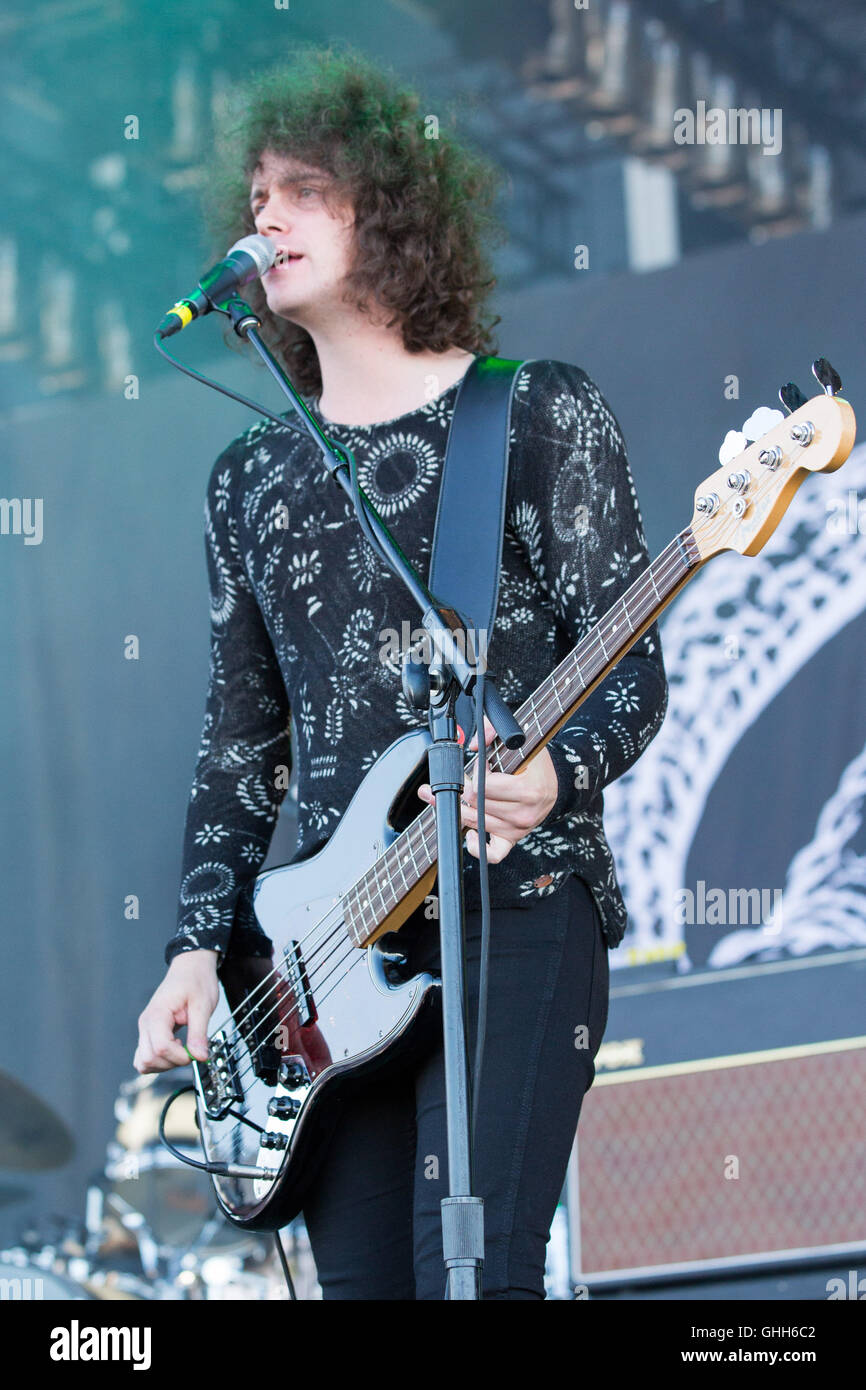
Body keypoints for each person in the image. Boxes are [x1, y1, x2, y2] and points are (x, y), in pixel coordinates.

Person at [134, 46, 668, 1299]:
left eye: (304, 189)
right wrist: (195, 950)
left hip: (516, 904)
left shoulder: (533, 414)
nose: (264, 218)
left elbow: (631, 676)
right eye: (255, 195)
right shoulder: (251, 481)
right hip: (322, 959)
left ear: (392, 214)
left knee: (474, 1276)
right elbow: (237, 745)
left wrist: (556, 772)